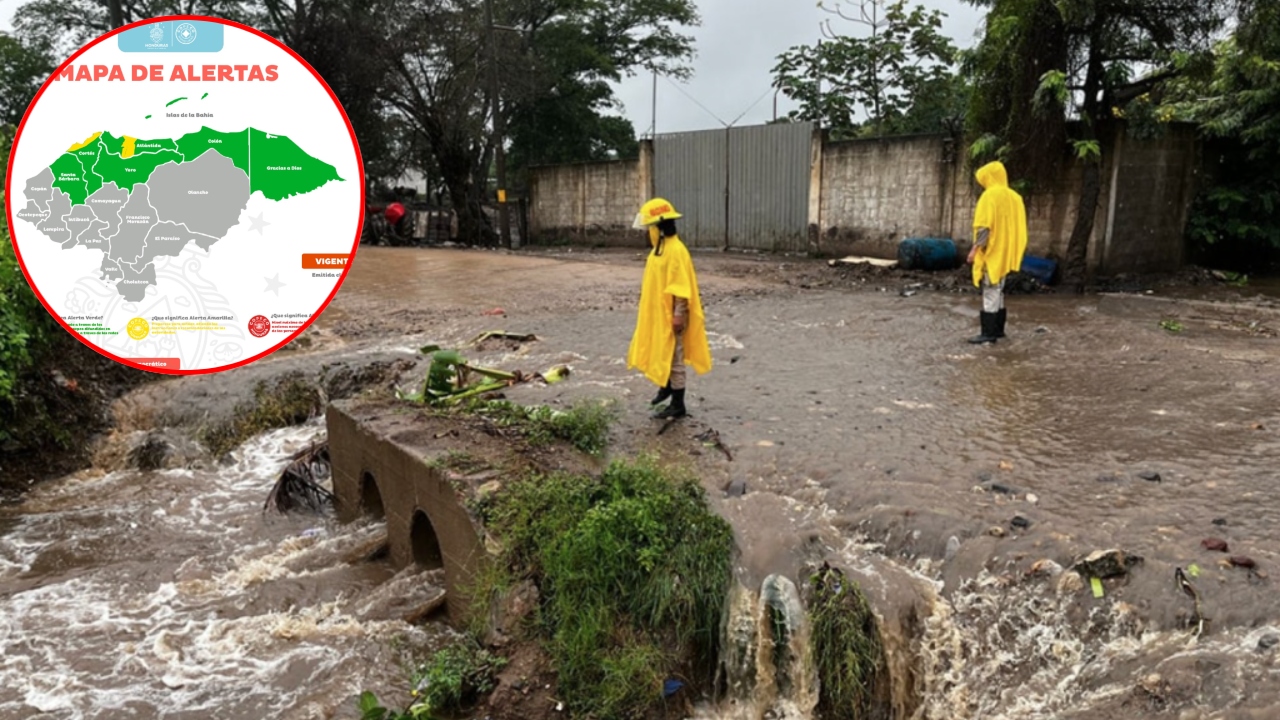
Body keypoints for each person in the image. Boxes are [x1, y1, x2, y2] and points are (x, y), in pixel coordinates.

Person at [626, 198, 712, 419]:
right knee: (660, 350)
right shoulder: (660, 249)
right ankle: (665, 386)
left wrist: (678, 316)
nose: (649, 232)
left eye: (651, 228)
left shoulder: (675, 251)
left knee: (675, 358)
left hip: (673, 315)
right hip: (659, 315)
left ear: (660, 228)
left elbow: (681, 288)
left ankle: (678, 404)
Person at [966, 160, 1027, 344]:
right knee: (999, 289)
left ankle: (988, 334)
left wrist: (974, 250)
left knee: (991, 289)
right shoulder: (1015, 197)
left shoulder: (989, 196)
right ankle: (999, 330)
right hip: (1007, 252)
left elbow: (984, 227)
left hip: (992, 251)